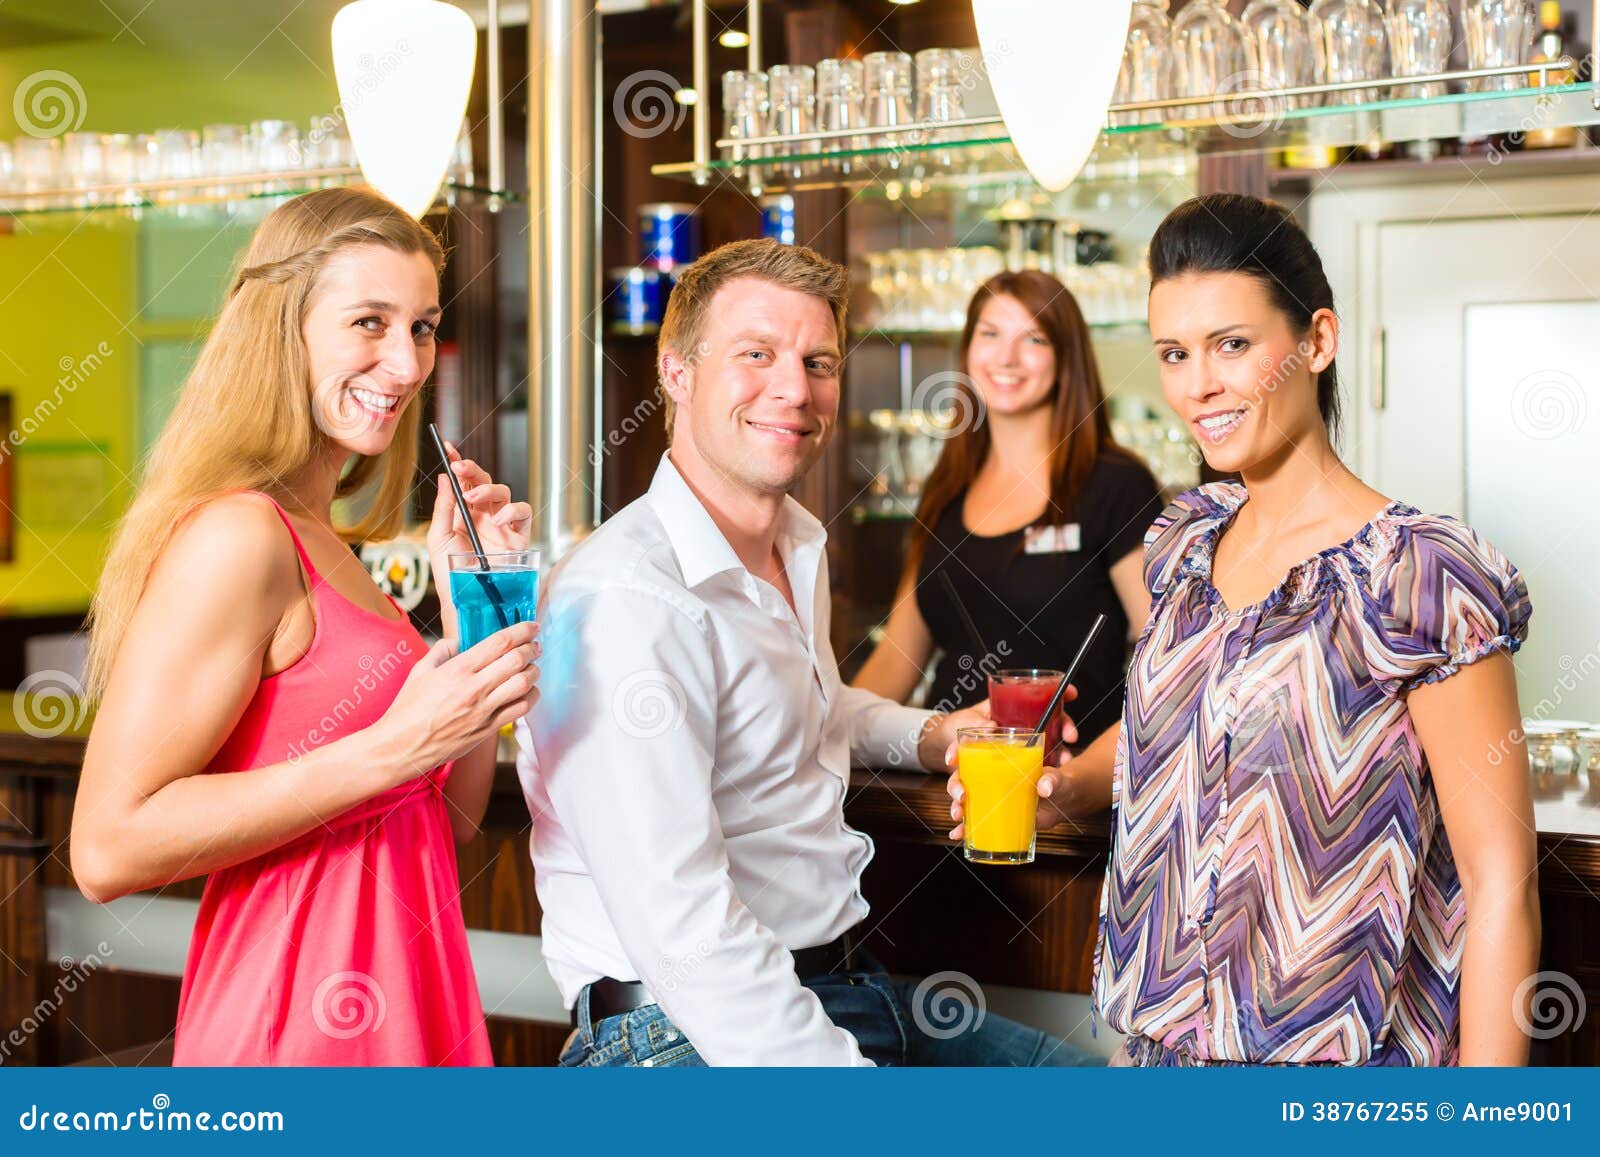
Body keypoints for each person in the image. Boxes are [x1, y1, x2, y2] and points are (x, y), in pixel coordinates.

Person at [950, 194, 1539, 1066]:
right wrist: (1055, 788)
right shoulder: (1182, 544)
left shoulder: (1418, 572)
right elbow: (1180, 747)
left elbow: (1503, 886)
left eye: (1233, 345)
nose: (1198, 384)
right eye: (1174, 354)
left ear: (1318, 341)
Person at [520, 238, 1100, 1067]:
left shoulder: (794, 542)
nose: (795, 389)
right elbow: (685, 933)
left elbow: (812, 702)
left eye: (818, 361)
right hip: (679, 1032)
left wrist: (938, 737)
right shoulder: (626, 597)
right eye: (757, 354)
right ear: (676, 372)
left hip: (842, 985)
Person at [73, 187, 539, 1066]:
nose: (405, 364)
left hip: (412, 1012)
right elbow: (106, 845)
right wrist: (395, 745)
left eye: (423, 327)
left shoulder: (334, 548)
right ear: (280, 328)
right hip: (293, 1035)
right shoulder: (241, 534)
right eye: (368, 322)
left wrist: (471, 601)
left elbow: (451, 820)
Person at [852, 269, 1162, 749]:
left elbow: (1165, 669)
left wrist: (1085, 780)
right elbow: (897, 661)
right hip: (950, 784)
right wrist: (824, 738)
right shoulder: (948, 486)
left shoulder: (1115, 484)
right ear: (968, 350)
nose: (1006, 357)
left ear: (1065, 359)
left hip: (1070, 787)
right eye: (990, 334)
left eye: (1033, 338)